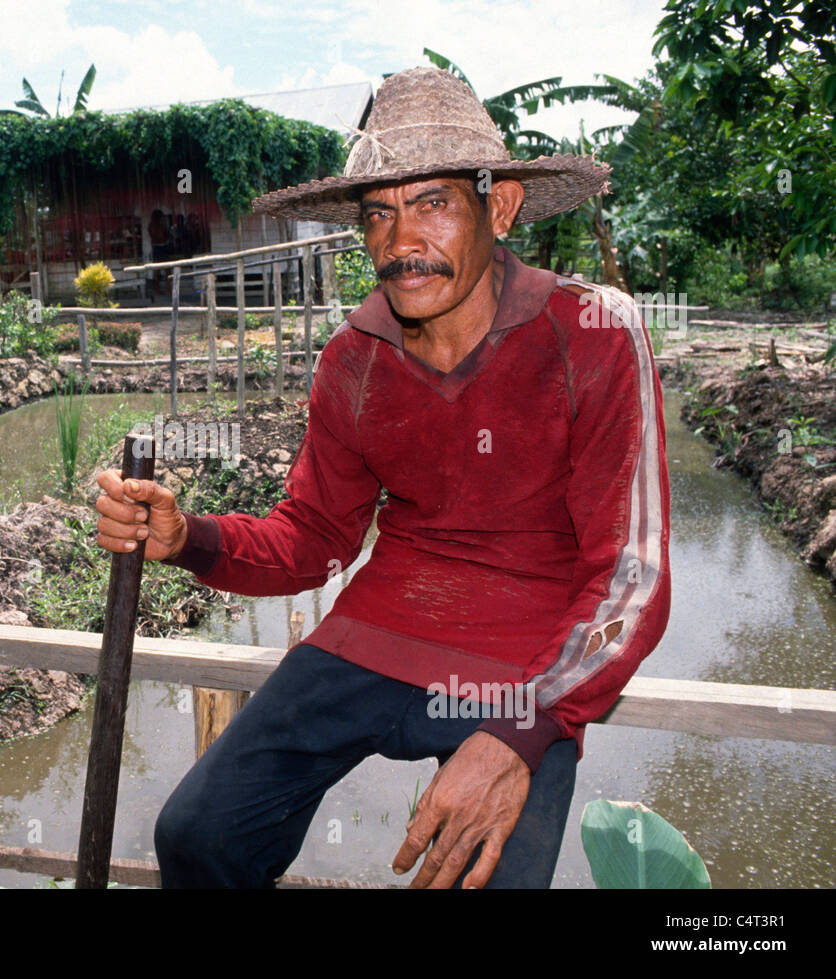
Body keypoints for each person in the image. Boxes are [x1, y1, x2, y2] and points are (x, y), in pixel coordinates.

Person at [92, 67, 671, 888]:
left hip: (523, 666)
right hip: (372, 638)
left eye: (433, 203)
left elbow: (631, 575)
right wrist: (189, 537)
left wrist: (523, 732)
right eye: (379, 214)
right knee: (197, 835)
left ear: (498, 206)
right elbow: (315, 540)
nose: (402, 242)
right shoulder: (353, 359)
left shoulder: (593, 333)